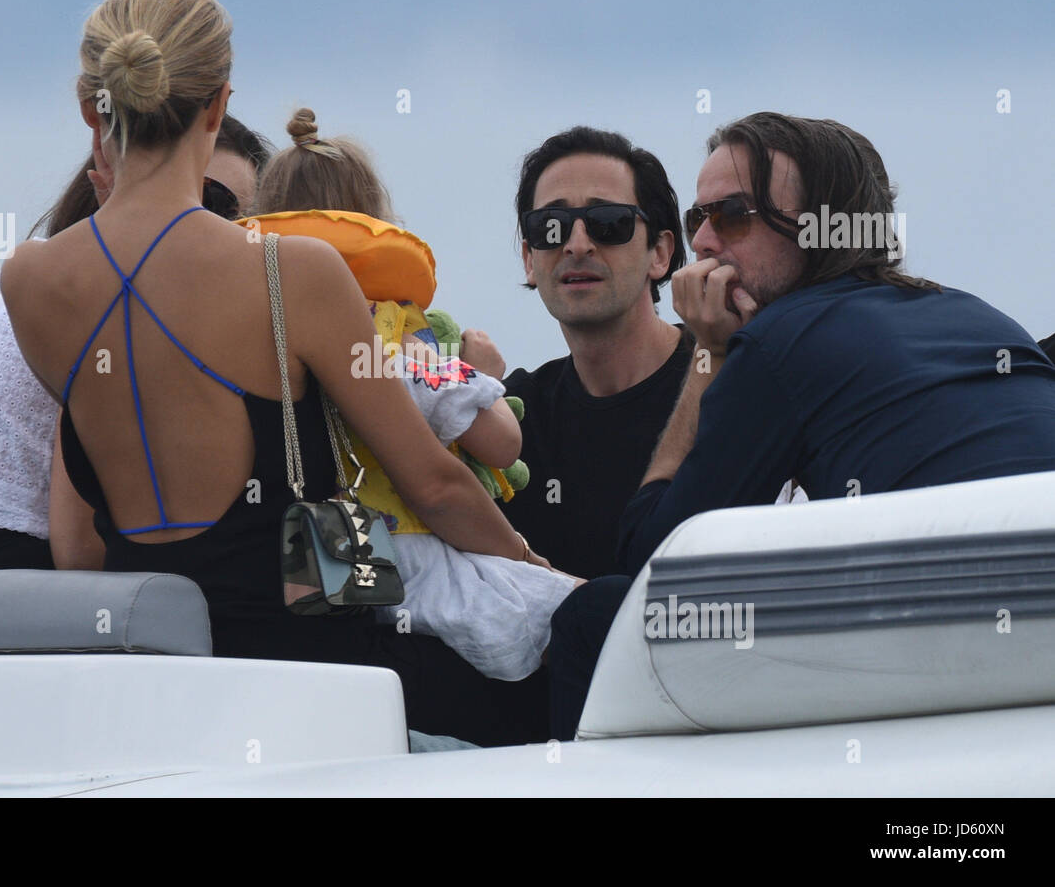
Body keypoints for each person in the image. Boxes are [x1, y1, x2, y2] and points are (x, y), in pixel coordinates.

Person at [1, 0, 552, 745]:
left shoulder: (29, 280)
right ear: (219, 105)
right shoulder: (292, 272)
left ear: (94, 107)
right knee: (568, 666)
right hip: (319, 677)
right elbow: (436, 484)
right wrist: (538, 569)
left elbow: (84, 542)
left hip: (159, 685)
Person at [549, 112, 1055, 739]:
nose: (703, 243)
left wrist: (712, 351)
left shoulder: (780, 341)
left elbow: (656, 560)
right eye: (695, 220)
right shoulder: (980, 316)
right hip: (1026, 609)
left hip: (947, 622)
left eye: (731, 216)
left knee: (596, 613)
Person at [243, 107, 578, 681]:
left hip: (301, 571)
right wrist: (482, 377)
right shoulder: (393, 334)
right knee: (578, 613)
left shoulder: (247, 328)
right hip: (413, 559)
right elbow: (500, 444)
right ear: (375, 223)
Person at [0, 113, 269, 572]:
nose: (214, 227)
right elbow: (78, 550)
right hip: (11, 550)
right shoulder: (101, 301)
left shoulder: (47, 277)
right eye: (209, 200)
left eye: (240, 220)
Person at [477, 127, 693, 580]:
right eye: (549, 228)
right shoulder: (510, 417)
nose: (577, 244)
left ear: (660, 252)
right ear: (529, 260)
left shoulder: (725, 378)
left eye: (609, 222)